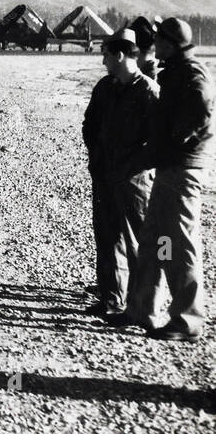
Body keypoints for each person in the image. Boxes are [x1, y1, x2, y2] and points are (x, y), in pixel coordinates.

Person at [128, 18, 214, 340]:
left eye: (157, 40)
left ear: (169, 43)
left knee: (180, 242)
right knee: (157, 239)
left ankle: (188, 320)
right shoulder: (177, 70)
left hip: (183, 169)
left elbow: (202, 107)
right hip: (170, 167)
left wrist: (175, 138)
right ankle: (143, 309)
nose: (153, 45)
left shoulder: (192, 73)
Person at [81, 27, 158, 325]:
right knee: (107, 236)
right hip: (104, 175)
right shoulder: (105, 88)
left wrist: (131, 166)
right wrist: (98, 156)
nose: (103, 62)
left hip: (134, 180)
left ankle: (144, 308)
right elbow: (90, 124)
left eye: (106, 56)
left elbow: (156, 140)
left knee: (140, 241)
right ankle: (112, 299)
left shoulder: (148, 91)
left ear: (121, 55)